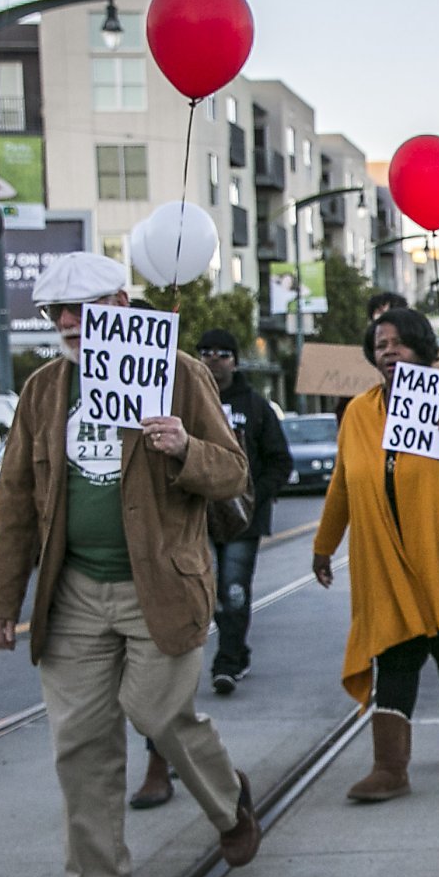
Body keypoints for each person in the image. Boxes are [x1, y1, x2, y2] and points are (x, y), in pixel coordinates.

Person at [0, 252, 260, 877]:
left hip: (158, 585)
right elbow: (16, 500)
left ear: (122, 302)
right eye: (59, 313)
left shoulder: (179, 375)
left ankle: (228, 800)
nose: (72, 323)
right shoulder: (45, 390)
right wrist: (1, 600)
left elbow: (231, 474)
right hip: (72, 590)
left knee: (160, 713)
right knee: (78, 738)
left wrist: (183, 448)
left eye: (85, 308)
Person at [312, 306, 439, 798]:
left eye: (398, 341)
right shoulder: (357, 413)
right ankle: (390, 768)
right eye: (380, 344)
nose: (388, 350)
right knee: (394, 656)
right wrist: (323, 546)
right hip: (385, 563)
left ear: (421, 347)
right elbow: (342, 485)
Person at [132, 327, 292, 806]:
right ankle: (163, 752)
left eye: (223, 354)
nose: (215, 360)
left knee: (234, 592)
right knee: (198, 601)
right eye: (206, 353)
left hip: (239, 522)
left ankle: (229, 659)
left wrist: (253, 496)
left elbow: (274, 461)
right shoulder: (163, 393)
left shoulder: (255, 407)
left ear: (236, 361)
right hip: (189, 524)